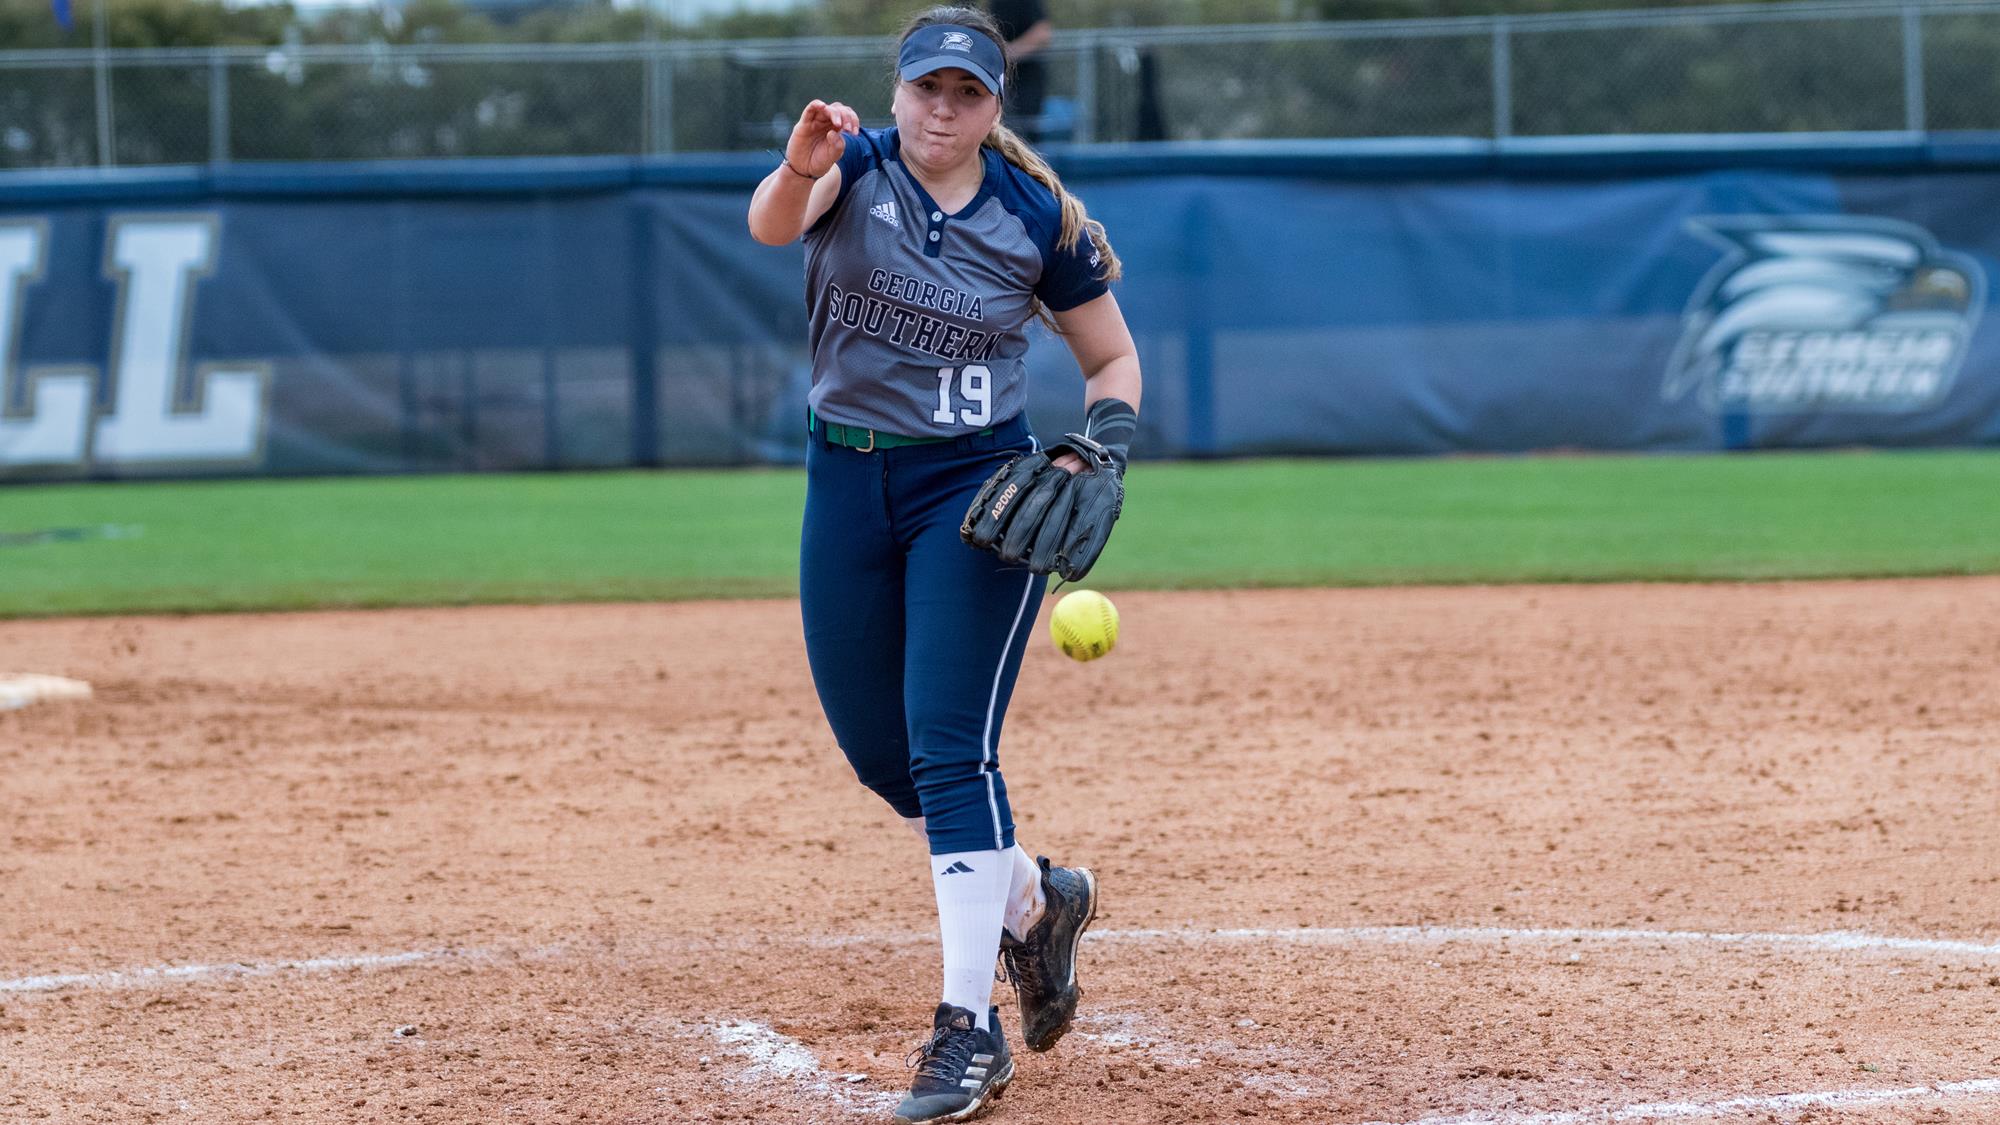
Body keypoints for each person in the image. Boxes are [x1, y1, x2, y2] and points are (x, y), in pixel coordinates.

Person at [746, 7, 1142, 1122]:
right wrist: (796, 161)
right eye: (926, 89)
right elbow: (775, 224)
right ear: (897, 92)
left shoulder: (1035, 216)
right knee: (883, 760)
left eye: (964, 95)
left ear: (991, 108)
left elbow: (1110, 359)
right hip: (845, 485)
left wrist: (1094, 446)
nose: (941, 109)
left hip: (972, 498)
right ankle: (1036, 903)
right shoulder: (850, 167)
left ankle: (965, 1032)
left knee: (948, 751)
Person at [986, 0, 1052, 139]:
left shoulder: (1024, 4)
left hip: (1024, 85)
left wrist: (1007, 54)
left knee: (1022, 137)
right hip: (995, 82)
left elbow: (1042, 32)